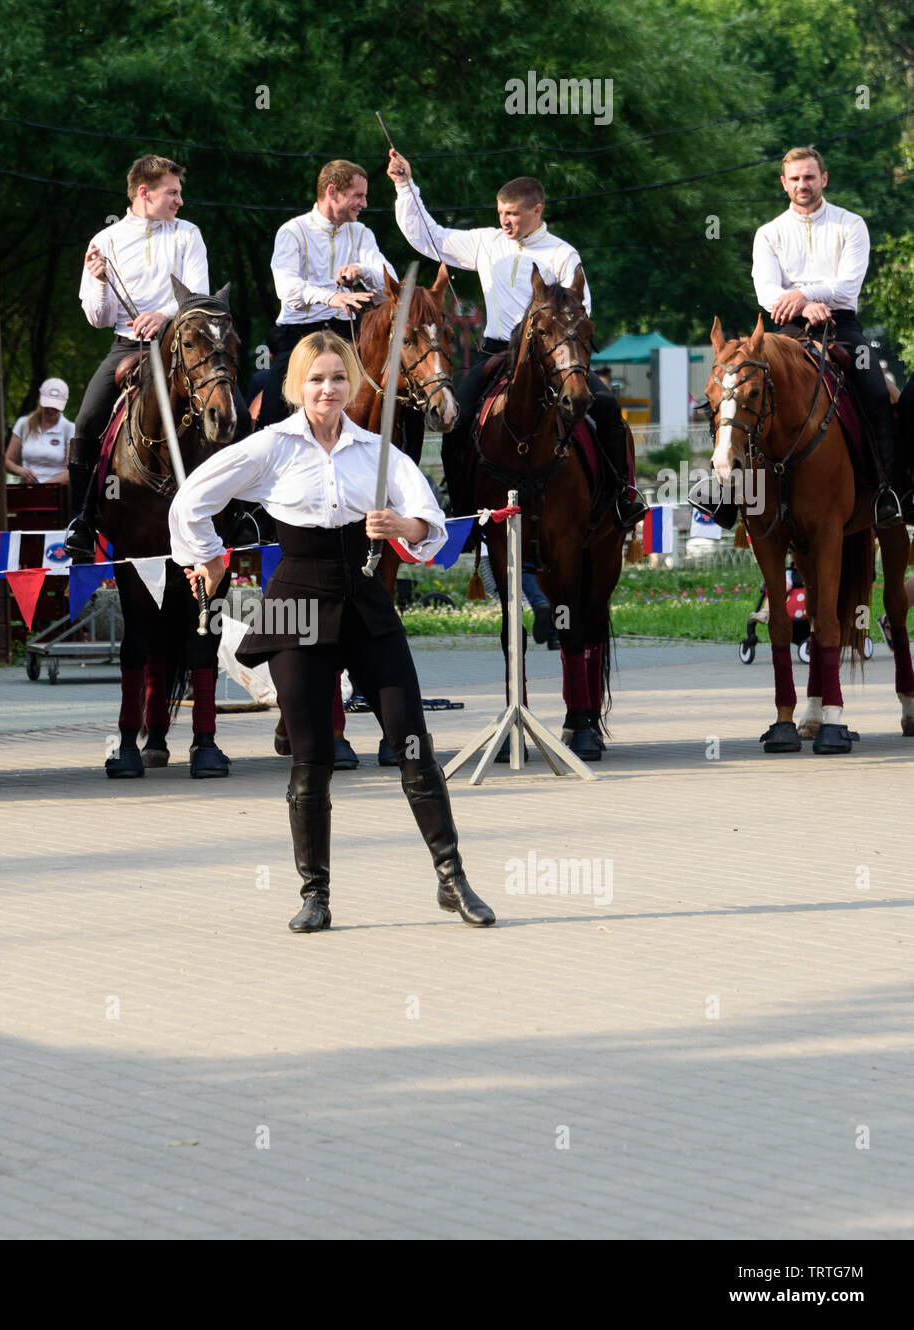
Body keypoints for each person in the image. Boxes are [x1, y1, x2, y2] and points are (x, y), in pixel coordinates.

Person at [170, 329, 496, 933]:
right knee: (311, 755)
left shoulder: (378, 452)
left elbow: (432, 524)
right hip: (294, 603)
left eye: (338, 378)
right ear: (298, 385)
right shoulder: (269, 448)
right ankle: (314, 895)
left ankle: (453, 881)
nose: (328, 388)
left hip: (365, 601)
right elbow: (190, 498)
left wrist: (406, 525)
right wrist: (207, 556)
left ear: (353, 384)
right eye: (316, 378)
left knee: (413, 744)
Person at [388, 151, 648, 530]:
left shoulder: (562, 253)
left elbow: (580, 311)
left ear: (536, 211)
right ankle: (462, 513)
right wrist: (404, 185)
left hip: (553, 359)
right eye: (500, 213)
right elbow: (428, 235)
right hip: (498, 354)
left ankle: (621, 498)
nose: (504, 221)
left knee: (606, 407)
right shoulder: (485, 242)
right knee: (456, 424)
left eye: (512, 213)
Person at [64, 154, 210, 558]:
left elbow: (197, 297)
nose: (180, 201)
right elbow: (98, 319)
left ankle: (241, 510)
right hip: (128, 346)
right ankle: (80, 519)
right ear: (144, 192)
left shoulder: (188, 234)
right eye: (172, 193)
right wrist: (96, 283)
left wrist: (163, 315)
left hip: (181, 344)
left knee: (224, 400)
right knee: (87, 421)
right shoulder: (105, 241)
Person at [752, 146, 901, 524]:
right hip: (787, 331)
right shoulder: (768, 233)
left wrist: (804, 293)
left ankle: (890, 492)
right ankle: (731, 493)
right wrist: (803, 307)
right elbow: (767, 293)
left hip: (842, 328)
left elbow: (848, 286)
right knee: (739, 389)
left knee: (876, 391)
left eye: (810, 177)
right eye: (796, 178)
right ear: (784, 184)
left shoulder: (851, 224)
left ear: (824, 179)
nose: (804, 184)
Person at [256, 159, 396, 429]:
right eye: (358, 195)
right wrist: (331, 297)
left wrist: (361, 270)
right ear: (332, 192)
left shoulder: (361, 233)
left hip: (349, 335)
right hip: (299, 335)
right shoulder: (292, 231)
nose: (364, 204)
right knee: (273, 410)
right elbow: (286, 288)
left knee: (398, 396)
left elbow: (391, 285)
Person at [6, 377, 72, 484]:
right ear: (40, 401)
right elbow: (7, 461)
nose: (51, 411)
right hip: (27, 491)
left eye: (55, 407)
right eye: (48, 406)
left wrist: (45, 487)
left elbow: (72, 471)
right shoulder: (24, 424)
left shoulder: (69, 429)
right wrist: (22, 471)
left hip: (56, 492)